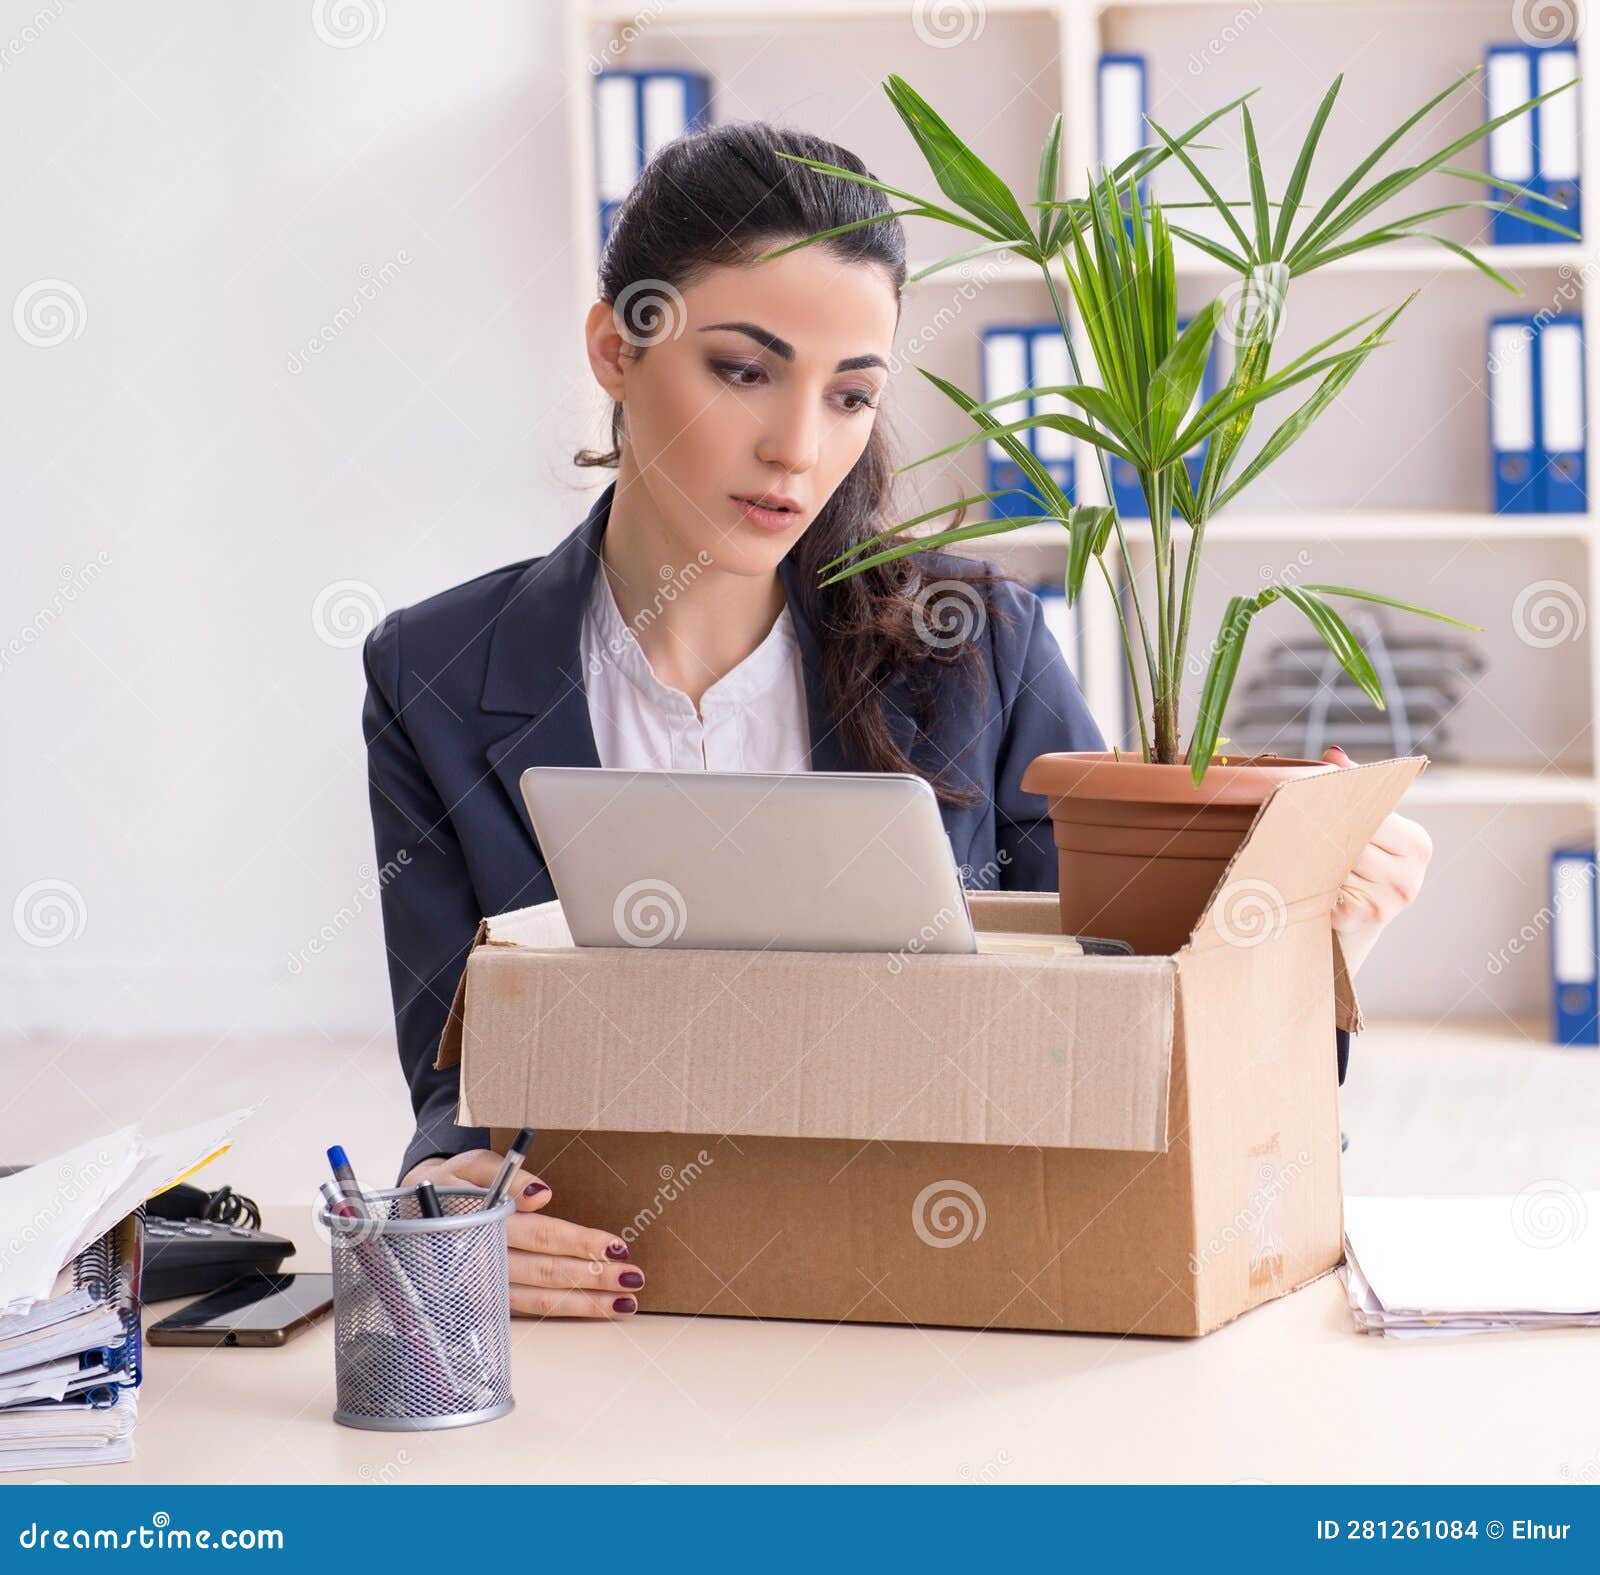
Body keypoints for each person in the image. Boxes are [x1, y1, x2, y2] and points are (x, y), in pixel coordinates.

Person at [360, 121, 1432, 1321]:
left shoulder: (974, 645)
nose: (796, 447)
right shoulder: (434, 671)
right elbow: (456, 1079)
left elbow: (1139, 1024)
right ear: (616, 345)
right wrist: (449, 1207)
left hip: (950, 1263)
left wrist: (1312, 943)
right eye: (742, 369)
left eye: (851, 393)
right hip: (640, 1278)